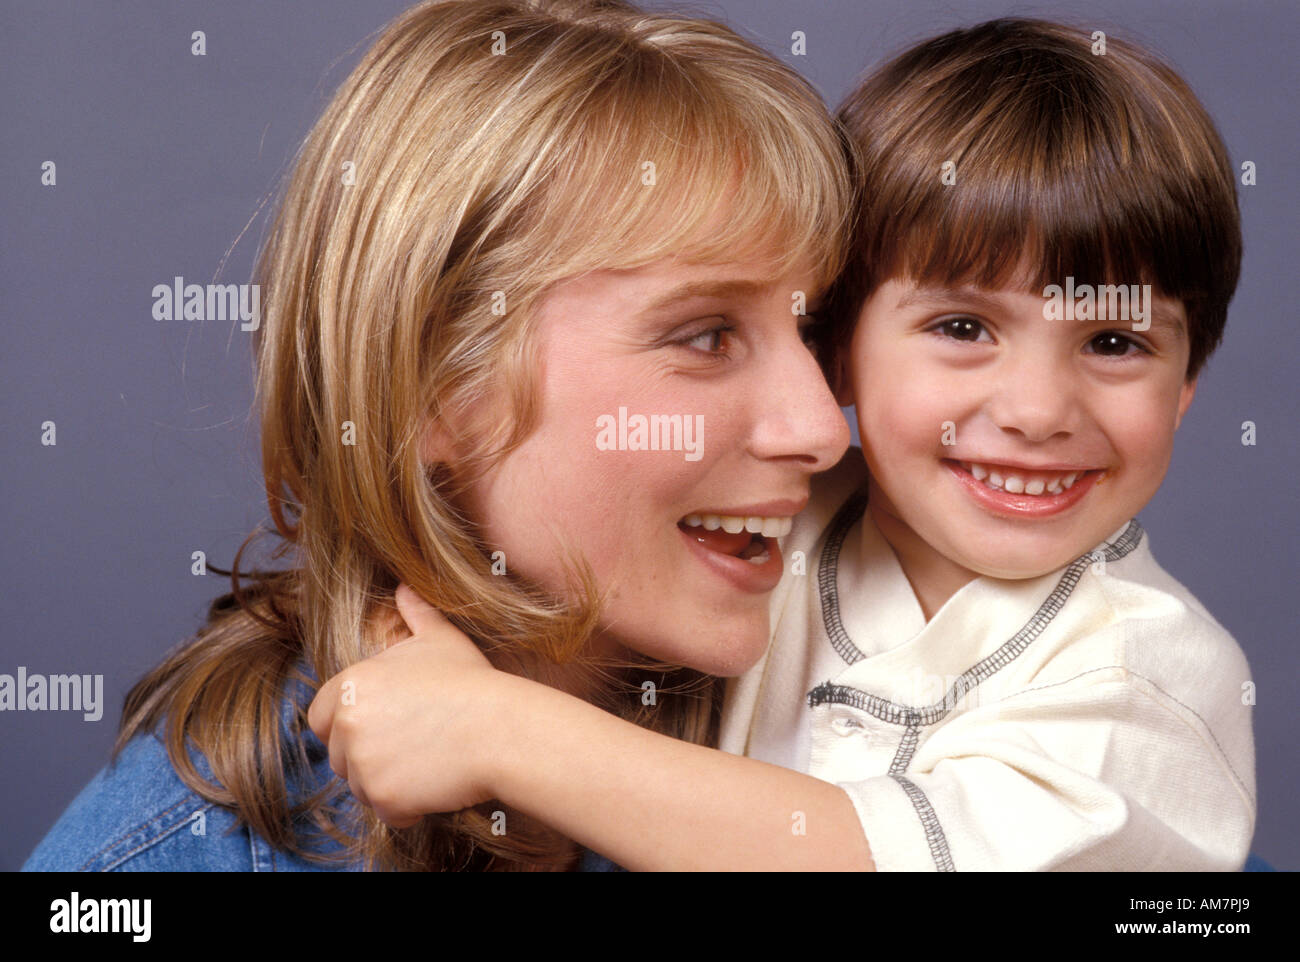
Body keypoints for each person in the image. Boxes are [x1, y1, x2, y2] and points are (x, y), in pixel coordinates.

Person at [309, 17, 1255, 871]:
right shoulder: (794, 528)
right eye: (963, 328)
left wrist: (498, 730)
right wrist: (401, 647)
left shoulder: (1142, 674)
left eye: (1116, 344)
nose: (1041, 411)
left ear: (1186, 391)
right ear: (847, 353)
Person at [21, 0, 854, 872]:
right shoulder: (155, 860)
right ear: (433, 390)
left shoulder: (868, 691)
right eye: (707, 335)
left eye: (815, 324)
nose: (820, 429)